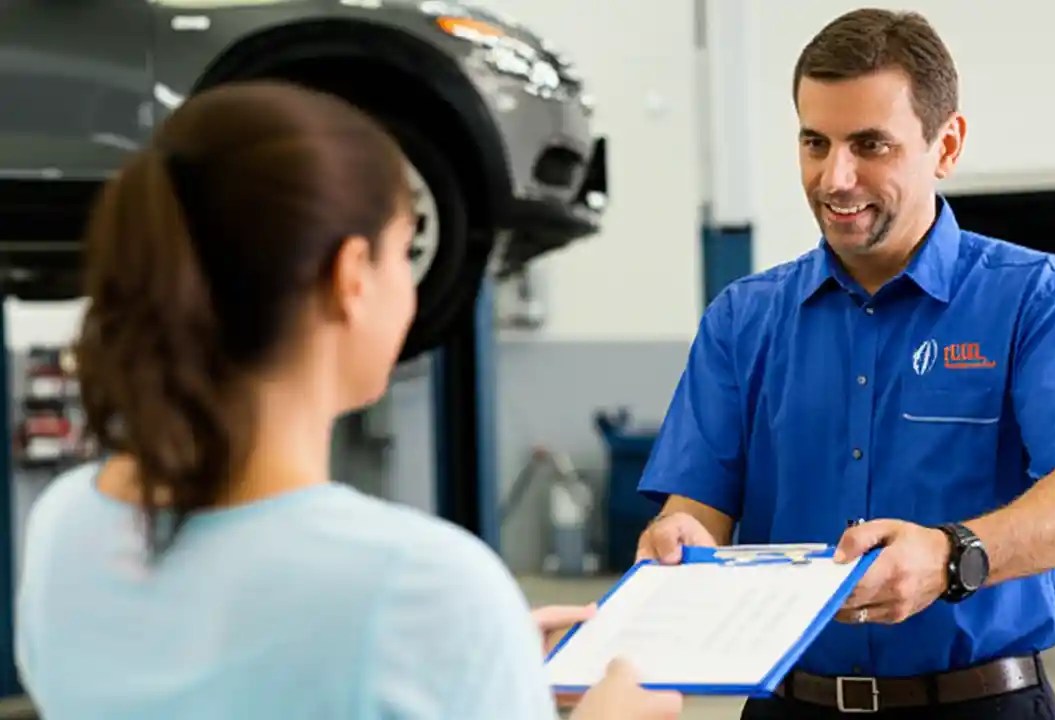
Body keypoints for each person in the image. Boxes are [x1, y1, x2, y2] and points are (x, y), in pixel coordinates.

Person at [14, 80, 680, 720]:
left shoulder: (66, 525)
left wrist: (479, 673)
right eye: (403, 251)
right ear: (351, 275)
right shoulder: (424, 588)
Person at [634, 8, 1055, 720]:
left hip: (978, 704)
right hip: (790, 705)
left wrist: (951, 556)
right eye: (815, 142)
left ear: (945, 145)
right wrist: (682, 540)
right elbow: (698, 507)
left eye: (870, 145)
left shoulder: (1039, 299)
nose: (835, 178)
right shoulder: (743, 319)